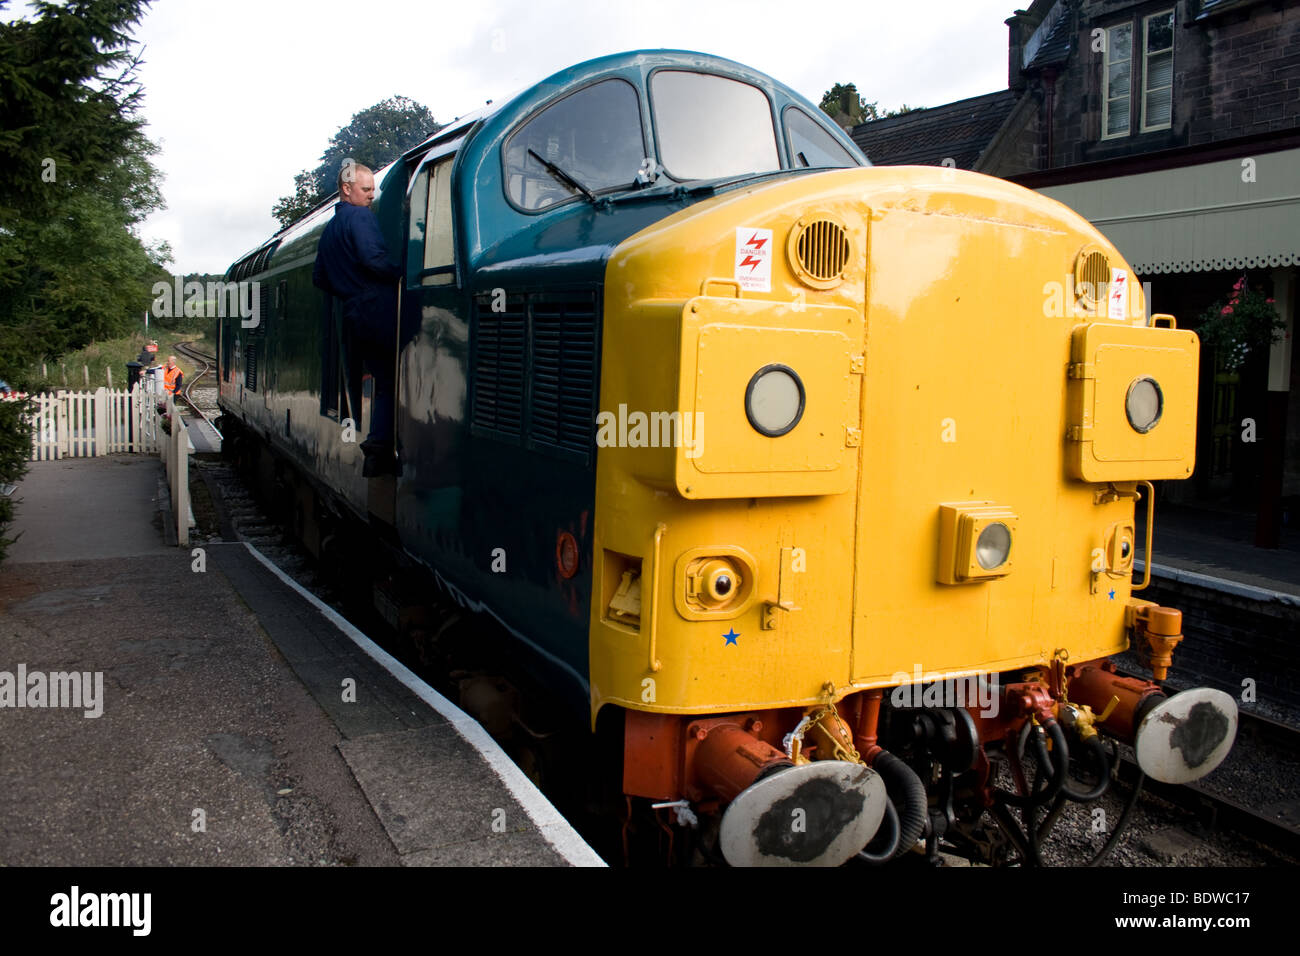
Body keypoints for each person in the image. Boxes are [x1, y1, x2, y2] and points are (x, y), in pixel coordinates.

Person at [312, 159, 401, 477]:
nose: (371, 196)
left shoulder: (331, 229)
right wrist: (402, 274)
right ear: (347, 189)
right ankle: (380, 450)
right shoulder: (360, 217)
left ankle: (378, 447)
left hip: (354, 314)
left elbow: (320, 278)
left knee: (383, 381)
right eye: (366, 190)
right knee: (395, 379)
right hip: (377, 308)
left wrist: (347, 286)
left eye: (373, 190)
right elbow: (373, 259)